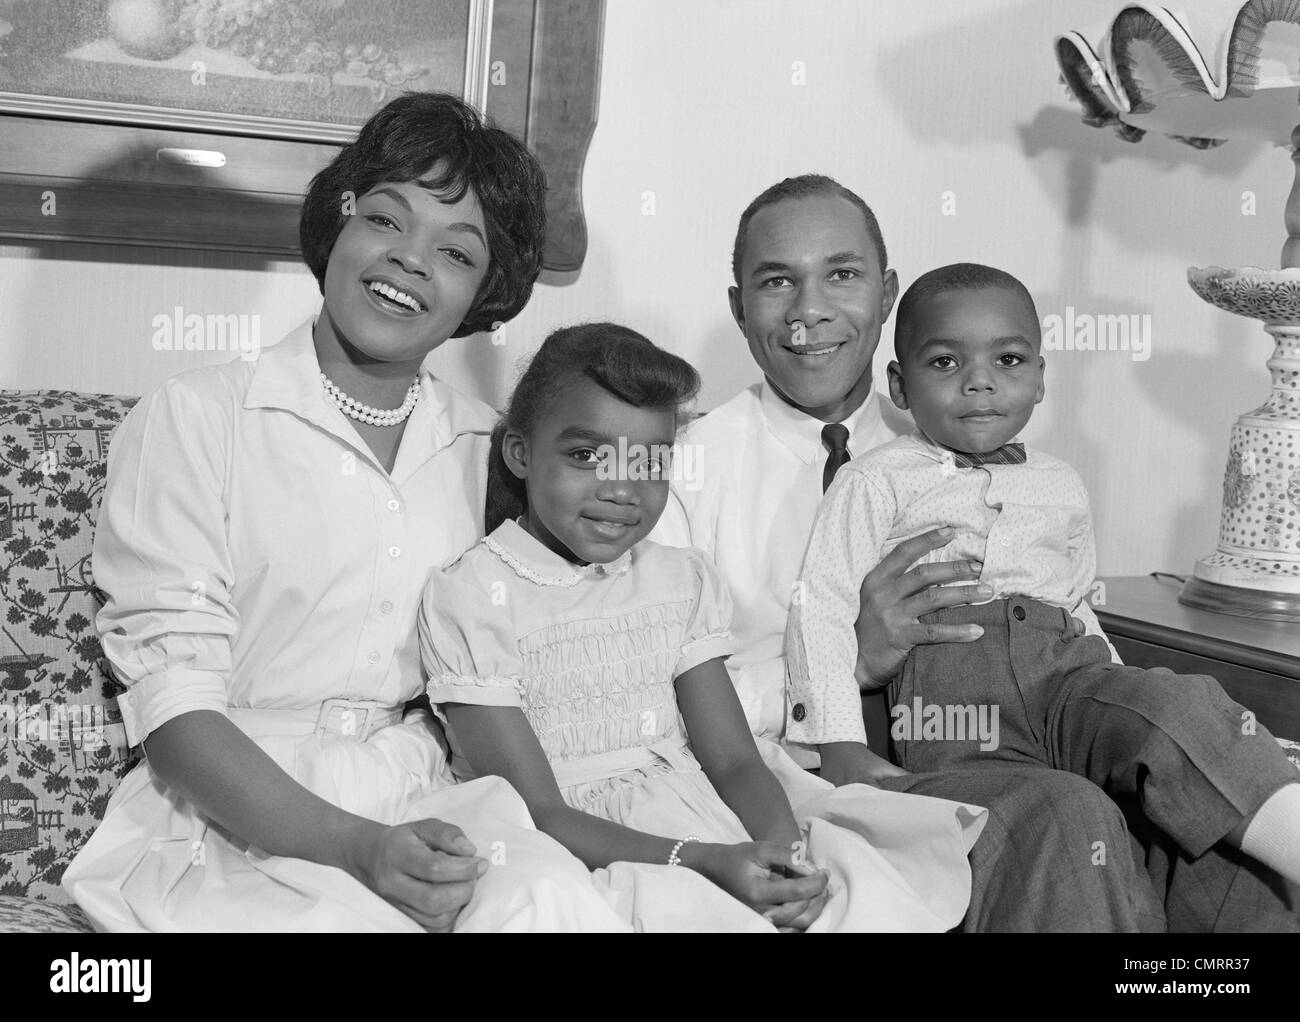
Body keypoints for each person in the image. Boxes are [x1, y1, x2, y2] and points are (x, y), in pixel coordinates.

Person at [63, 93, 627, 933]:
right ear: (339, 220)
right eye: (385, 218)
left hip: (428, 793)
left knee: (557, 904)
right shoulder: (196, 417)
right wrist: (358, 846)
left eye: (456, 252)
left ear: (485, 294)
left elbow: (584, 622)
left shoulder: (492, 451)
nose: (408, 260)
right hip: (236, 813)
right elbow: (176, 713)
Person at [652, 174, 1168, 931]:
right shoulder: (685, 470)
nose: (810, 311)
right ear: (738, 306)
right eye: (775, 282)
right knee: (1062, 815)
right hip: (804, 777)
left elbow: (1067, 598)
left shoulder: (963, 431)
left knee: (1192, 823)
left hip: (1006, 731)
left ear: (888, 292)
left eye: (842, 274)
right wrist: (851, 662)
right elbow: (655, 694)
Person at [418, 323, 987, 932]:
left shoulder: (677, 579)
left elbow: (736, 759)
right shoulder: (474, 596)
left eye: (649, 461)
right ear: (520, 453)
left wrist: (782, 855)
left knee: (853, 888)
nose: (620, 489)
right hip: (585, 848)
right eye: (585, 456)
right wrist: (707, 862)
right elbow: (538, 811)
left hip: (707, 816)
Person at [785, 261, 1300, 928]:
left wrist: (1124, 705)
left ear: (1040, 378)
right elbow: (820, 604)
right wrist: (837, 741)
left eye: (1008, 359)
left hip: (1069, 677)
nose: (979, 380)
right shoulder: (876, 480)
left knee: (1182, 707)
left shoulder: (1061, 482)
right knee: (1060, 808)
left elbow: (1079, 601)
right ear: (899, 385)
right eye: (944, 362)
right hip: (961, 711)